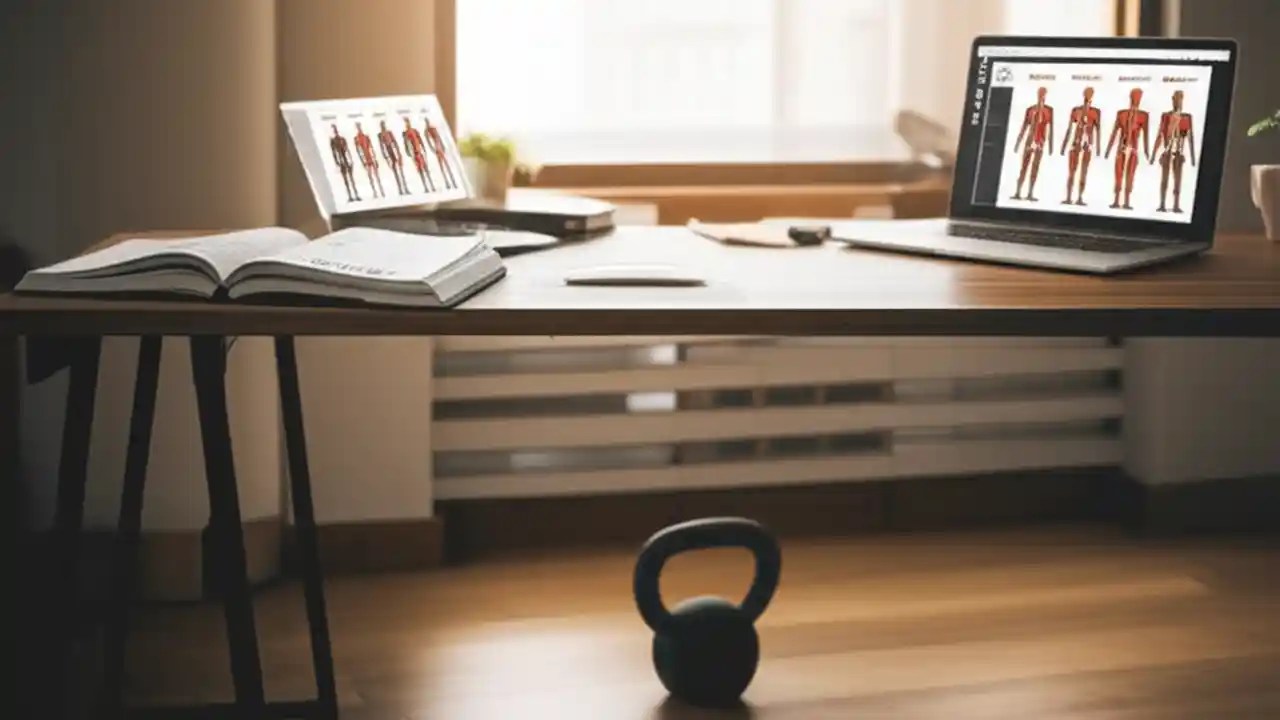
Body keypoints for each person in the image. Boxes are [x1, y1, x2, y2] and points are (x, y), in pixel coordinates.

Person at [1104, 88, 1151, 210]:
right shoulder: (1122, 114)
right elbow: (1114, 132)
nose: (1137, 100)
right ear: (1131, 97)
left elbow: (1146, 135)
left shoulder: (1143, 116)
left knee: (1130, 175)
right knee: (1119, 174)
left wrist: (1147, 151)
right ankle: (1116, 200)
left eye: (1139, 97)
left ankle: (1126, 201)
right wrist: (1108, 149)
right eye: (1135, 97)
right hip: (1122, 148)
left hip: (1134, 149)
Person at [1152, 90, 1197, 213]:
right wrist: (1153, 154)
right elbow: (1160, 134)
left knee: (1177, 180)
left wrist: (1193, 158)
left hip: (1178, 152)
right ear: (1172, 99)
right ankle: (1162, 204)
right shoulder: (1166, 116)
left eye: (1180, 99)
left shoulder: (1186, 118)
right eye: (1175, 99)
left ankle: (1176, 205)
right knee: (1164, 180)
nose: (1177, 101)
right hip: (1167, 151)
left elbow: (1190, 138)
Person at [1060, 87, 1102, 206]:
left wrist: (1098, 148)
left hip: (1087, 144)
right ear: (1083, 94)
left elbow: (1098, 130)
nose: (1089, 95)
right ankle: (1068, 197)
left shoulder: (1096, 112)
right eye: (1087, 93)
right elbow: (1070, 128)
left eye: (1091, 93)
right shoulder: (1076, 110)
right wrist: (1064, 145)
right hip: (1076, 143)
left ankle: (1079, 197)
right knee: (1072, 171)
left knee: (1083, 171)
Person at [1011, 87, 1054, 202]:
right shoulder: (1030, 110)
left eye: (1043, 94)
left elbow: (1050, 128)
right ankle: (1018, 192)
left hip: (1040, 141)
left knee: (1035, 167)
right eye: (1040, 94)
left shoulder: (1048, 110)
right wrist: (1018, 142)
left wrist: (1051, 145)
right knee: (1024, 167)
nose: (1041, 96)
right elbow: (1024, 126)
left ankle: (1030, 192)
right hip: (1029, 141)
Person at [424, 117, 459, 190]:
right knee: (442, 166)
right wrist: (433, 149)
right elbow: (428, 141)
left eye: (427, 121)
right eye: (426, 121)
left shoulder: (433, 128)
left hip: (439, 146)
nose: (427, 123)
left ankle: (453, 181)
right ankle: (447, 182)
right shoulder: (426, 131)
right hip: (437, 147)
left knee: (446, 165)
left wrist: (442, 146)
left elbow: (438, 137)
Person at [402, 117, 434, 193]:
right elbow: (406, 144)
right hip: (415, 153)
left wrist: (423, 148)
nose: (407, 124)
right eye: (406, 122)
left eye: (408, 122)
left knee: (426, 168)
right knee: (420, 170)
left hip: (420, 151)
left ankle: (432, 185)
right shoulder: (405, 133)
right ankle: (426, 187)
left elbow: (420, 139)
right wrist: (409, 153)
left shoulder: (415, 130)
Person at [378, 119, 410, 195]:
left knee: (400, 169)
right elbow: (381, 146)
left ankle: (405, 188)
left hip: (394, 150)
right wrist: (386, 157)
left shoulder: (389, 132)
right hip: (388, 152)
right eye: (382, 125)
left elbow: (395, 142)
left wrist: (398, 153)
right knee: (395, 171)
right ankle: (400, 189)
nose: (383, 126)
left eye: (384, 124)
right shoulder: (380, 135)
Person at [353, 122, 385, 199]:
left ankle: (381, 190)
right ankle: (374, 191)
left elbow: (371, 147)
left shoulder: (366, 137)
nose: (359, 128)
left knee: (376, 175)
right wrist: (363, 161)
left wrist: (374, 158)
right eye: (357, 127)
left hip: (370, 157)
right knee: (370, 176)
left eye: (359, 126)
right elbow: (359, 151)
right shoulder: (356, 138)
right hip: (365, 158)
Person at [329, 124, 360, 202]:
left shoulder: (342, 139)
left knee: (351, 178)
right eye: (334, 130)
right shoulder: (333, 141)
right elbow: (334, 153)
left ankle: (356, 195)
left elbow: (347, 149)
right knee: (345, 179)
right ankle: (350, 196)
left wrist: (350, 159)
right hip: (341, 160)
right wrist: (337, 162)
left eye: (336, 129)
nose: (335, 131)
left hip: (346, 159)